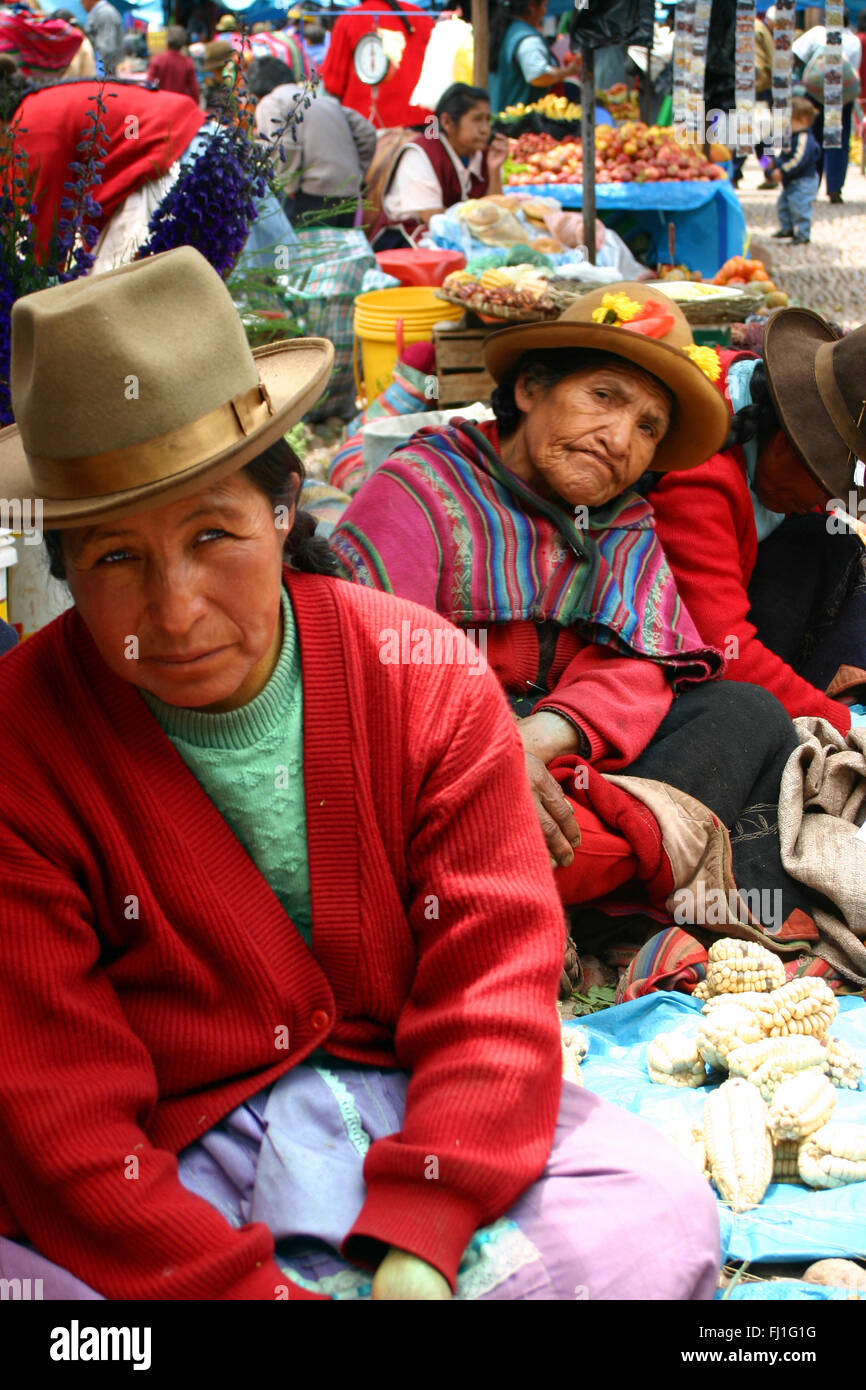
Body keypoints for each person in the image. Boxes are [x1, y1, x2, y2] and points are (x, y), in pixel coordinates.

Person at [0, 247, 721, 1302]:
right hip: (167, 1142)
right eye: (116, 559)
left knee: (650, 1218)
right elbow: (55, 1103)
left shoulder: (418, 677)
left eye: (216, 535)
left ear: (285, 516)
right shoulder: (23, 743)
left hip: (407, 1097)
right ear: (62, 570)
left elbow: (489, 985)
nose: (178, 608)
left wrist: (424, 1236)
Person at [330, 283, 822, 943]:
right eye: (603, 396)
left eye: (649, 426)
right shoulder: (418, 493)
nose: (620, 438)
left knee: (748, 716)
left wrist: (545, 736)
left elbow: (647, 658)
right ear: (531, 388)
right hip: (450, 776)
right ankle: (624, 883)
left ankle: (586, 878)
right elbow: (364, 675)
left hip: (566, 768)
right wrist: (488, 745)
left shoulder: (623, 522)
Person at [650, 310, 866, 737]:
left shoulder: (763, 398)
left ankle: (843, 689)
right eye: (825, 483)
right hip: (673, 653)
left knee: (834, 537)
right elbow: (724, 649)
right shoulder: (696, 476)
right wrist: (842, 726)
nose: (826, 501)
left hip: (746, 580)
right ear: (787, 443)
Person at [0, 68, 204, 268]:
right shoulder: (41, 103)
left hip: (172, 155)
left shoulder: (30, 123)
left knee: (110, 292)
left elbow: (46, 226)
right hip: (190, 142)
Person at [369, 82, 509, 249]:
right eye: (477, 119)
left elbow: (494, 214)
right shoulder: (421, 153)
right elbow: (433, 219)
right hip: (406, 243)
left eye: (488, 120)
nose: (485, 129)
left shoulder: (484, 155)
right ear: (447, 122)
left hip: (457, 238)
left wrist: (494, 170)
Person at [249, 56, 375, 228]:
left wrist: (289, 186)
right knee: (342, 253)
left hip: (311, 194)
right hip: (349, 190)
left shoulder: (271, 102)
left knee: (309, 253)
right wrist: (357, 171)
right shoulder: (324, 100)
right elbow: (367, 132)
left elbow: (283, 146)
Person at [319, 0, 434, 127]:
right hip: (422, 125)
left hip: (366, 128)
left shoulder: (349, 19)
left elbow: (332, 84)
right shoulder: (423, 18)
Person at [793, 5, 860, 203]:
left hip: (815, 95)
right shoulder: (853, 41)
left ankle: (811, 185)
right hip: (841, 98)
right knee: (838, 140)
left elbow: (796, 56)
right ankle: (835, 188)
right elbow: (853, 69)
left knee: (814, 137)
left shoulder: (817, 34)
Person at [489, 0, 580, 114]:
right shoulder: (527, 38)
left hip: (501, 114)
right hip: (519, 122)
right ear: (532, 6)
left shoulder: (508, 30)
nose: (544, 11)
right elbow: (537, 75)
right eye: (544, 6)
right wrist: (567, 72)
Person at [767, 95, 821, 243]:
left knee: (799, 207)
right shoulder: (792, 138)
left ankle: (803, 233)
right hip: (792, 181)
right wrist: (776, 163)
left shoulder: (804, 138)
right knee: (784, 204)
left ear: (802, 120)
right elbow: (786, 156)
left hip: (803, 181)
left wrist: (782, 171)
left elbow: (798, 160)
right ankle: (787, 227)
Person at [147, 23, 199, 101]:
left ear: (167, 41)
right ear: (183, 43)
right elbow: (194, 90)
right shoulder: (187, 63)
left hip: (161, 102)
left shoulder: (157, 60)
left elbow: (148, 83)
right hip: (179, 104)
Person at [81, 0, 123, 76]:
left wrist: (99, 75)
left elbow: (106, 48)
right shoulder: (101, 12)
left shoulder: (105, 13)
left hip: (104, 76)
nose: (81, 3)